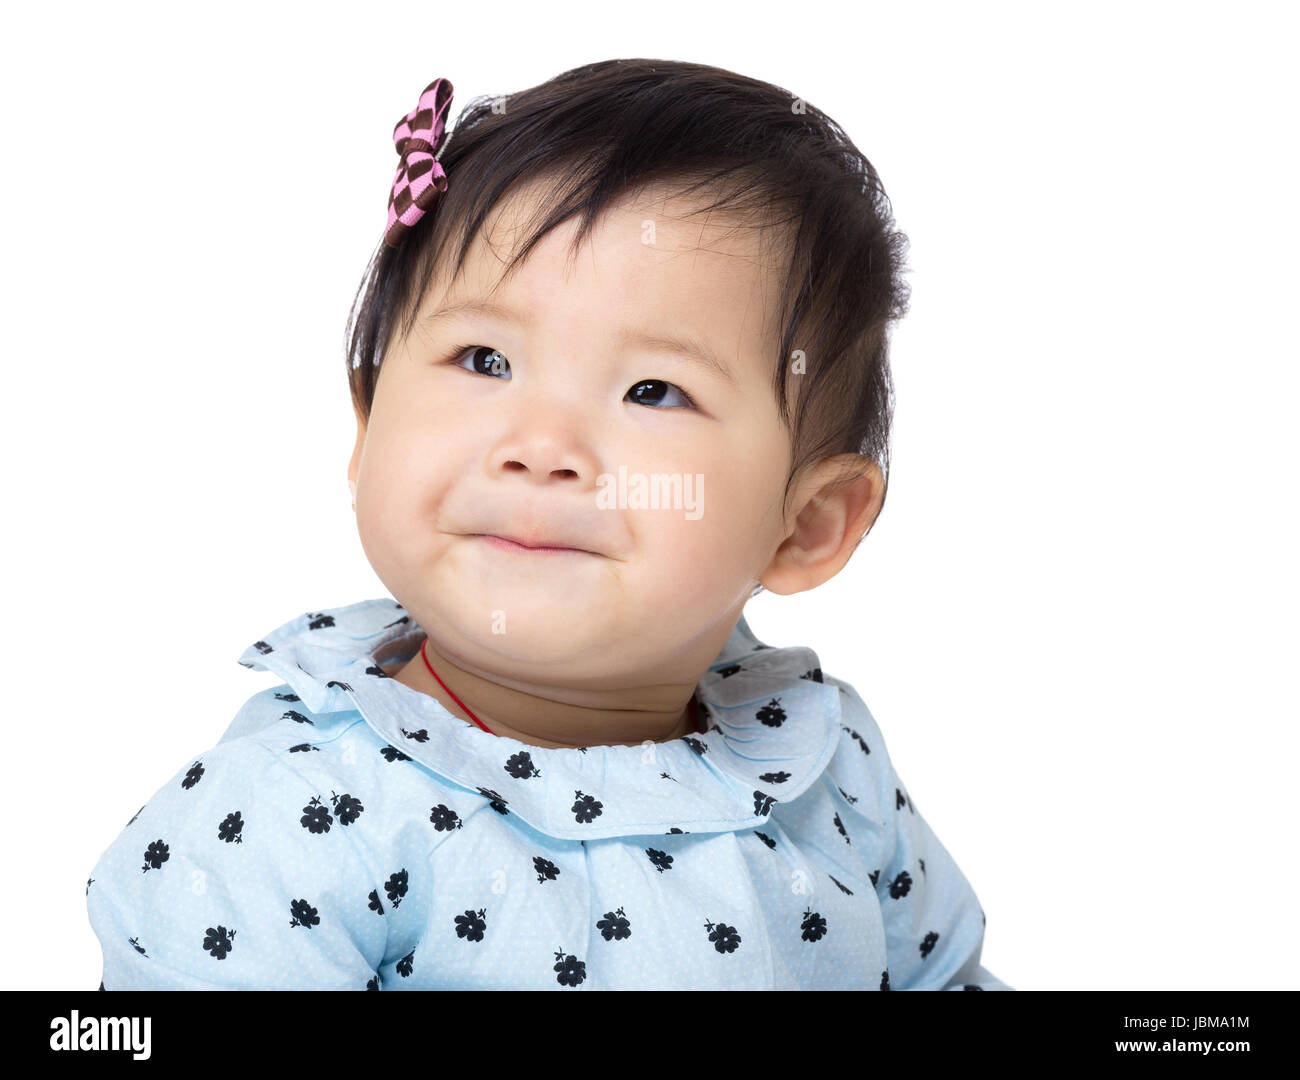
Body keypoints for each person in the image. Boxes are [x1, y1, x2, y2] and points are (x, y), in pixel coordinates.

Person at [86, 58, 1010, 990]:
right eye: (483, 358)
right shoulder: (293, 818)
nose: (542, 446)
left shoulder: (820, 769)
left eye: (654, 391)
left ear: (806, 525)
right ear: (367, 429)